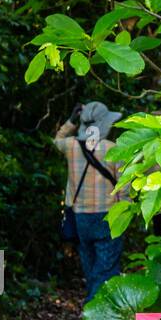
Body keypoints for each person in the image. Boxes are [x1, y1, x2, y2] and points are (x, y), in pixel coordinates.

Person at [54, 101, 125, 301]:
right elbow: (124, 188)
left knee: (90, 264)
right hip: (108, 216)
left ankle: (95, 309)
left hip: (80, 218)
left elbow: (57, 140)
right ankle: (93, 310)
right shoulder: (114, 150)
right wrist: (126, 214)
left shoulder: (71, 146)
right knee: (106, 268)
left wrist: (70, 121)